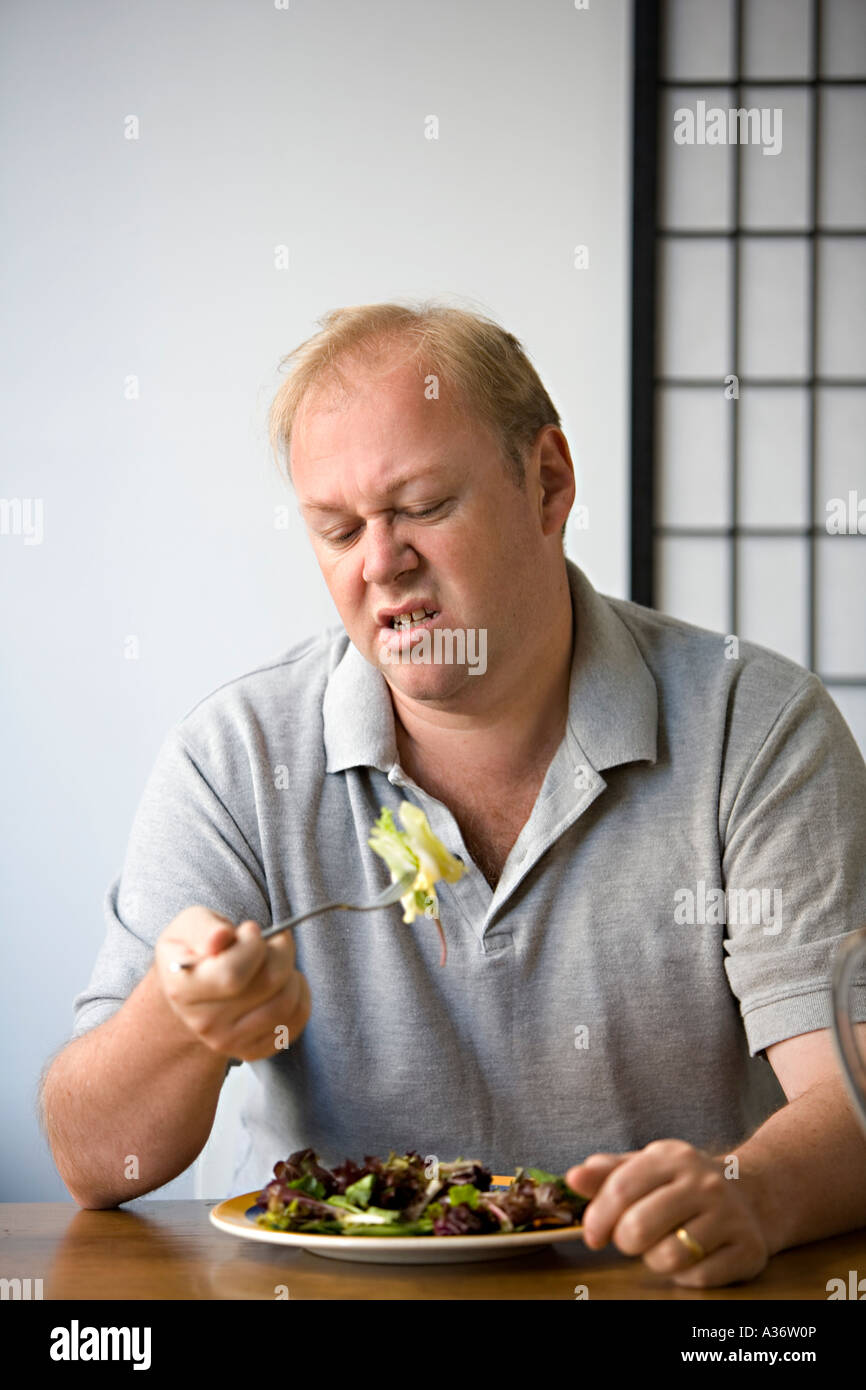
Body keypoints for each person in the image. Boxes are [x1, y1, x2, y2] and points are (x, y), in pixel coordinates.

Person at [40, 301, 866, 1288]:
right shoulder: (236, 756)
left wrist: (752, 1189)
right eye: (337, 529)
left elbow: (848, 1093)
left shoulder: (752, 723)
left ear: (548, 483)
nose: (380, 565)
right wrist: (179, 1020)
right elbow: (92, 1160)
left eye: (424, 507)